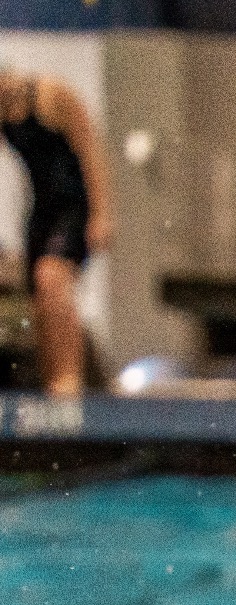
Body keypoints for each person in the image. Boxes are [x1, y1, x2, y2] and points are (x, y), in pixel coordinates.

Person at [0, 64, 113, 398]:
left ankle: (69, 381)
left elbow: (90, 148)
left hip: (74, 208)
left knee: (53, 280)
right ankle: (52, 384)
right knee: (39, 299)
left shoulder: (51, 96)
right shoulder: (4, 115)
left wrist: (102, 212)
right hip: (41, 212)